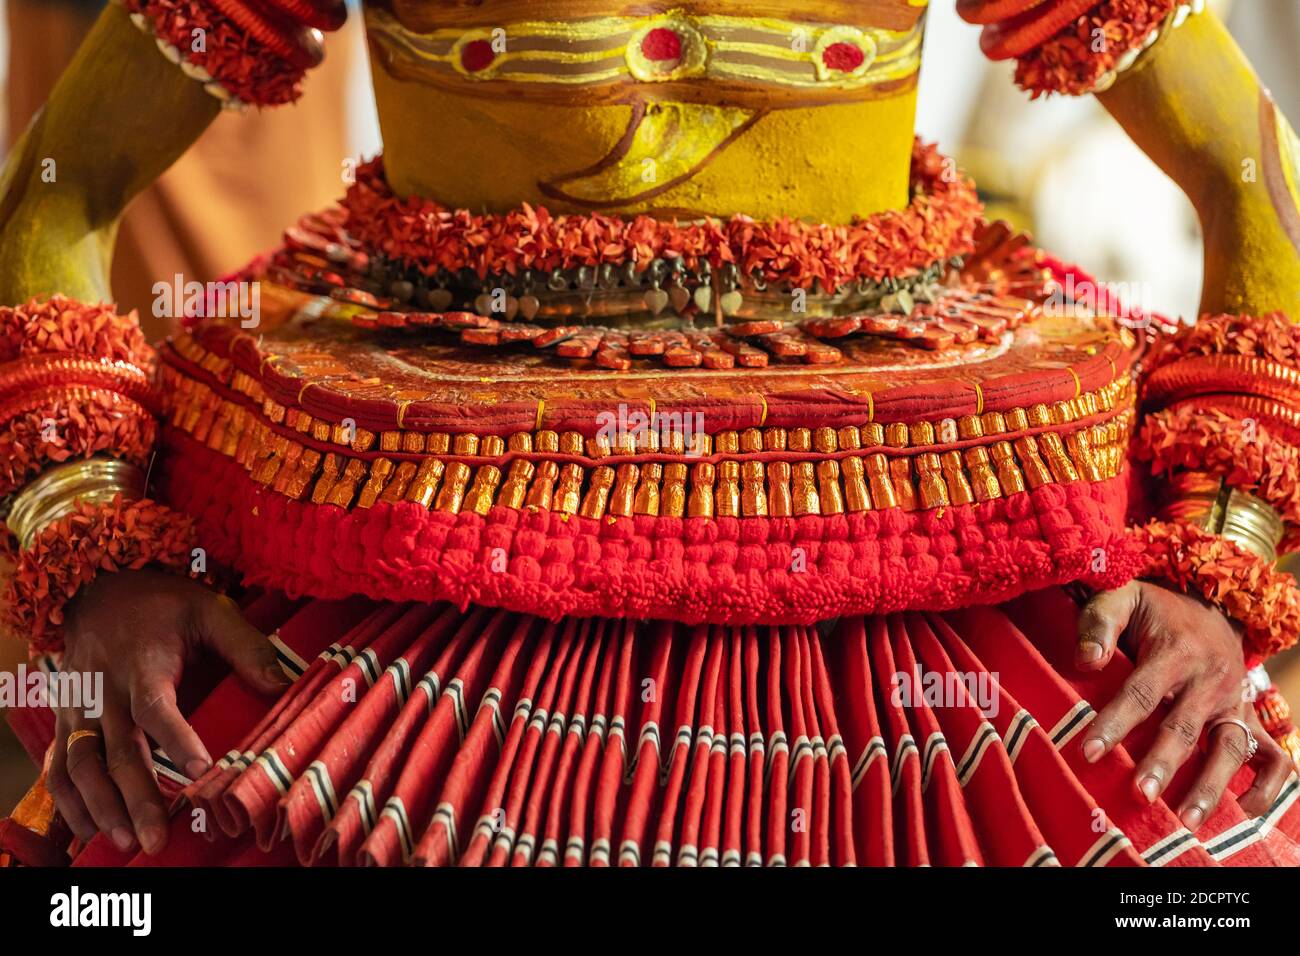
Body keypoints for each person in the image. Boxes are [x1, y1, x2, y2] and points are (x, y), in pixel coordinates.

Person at [1, 0, 1299, 867]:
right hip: (402, 560)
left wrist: (1217, 566)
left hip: (945, 562)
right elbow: (61, 188)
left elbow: (1245, 174)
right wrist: (95, 550)